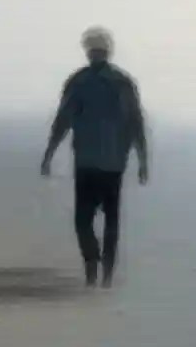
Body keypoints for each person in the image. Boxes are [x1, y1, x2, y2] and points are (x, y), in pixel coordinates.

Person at [40, 26, 149, 288]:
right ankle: (106, 272)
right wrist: (143, 159)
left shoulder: (79, 81)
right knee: (111, 218)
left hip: (88, 161)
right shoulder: (122, 82)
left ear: (88, 51)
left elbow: (62, 121)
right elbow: (136, 123)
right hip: (113, 163)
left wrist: (49, 153)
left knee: (84, 219)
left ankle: (92, 265)